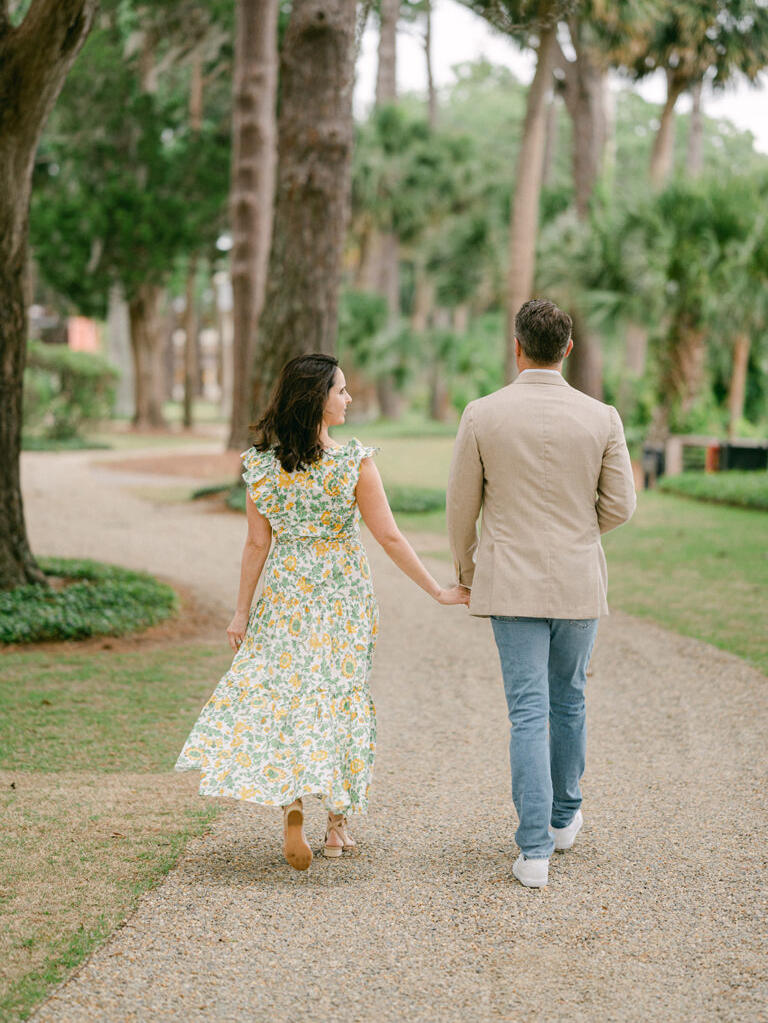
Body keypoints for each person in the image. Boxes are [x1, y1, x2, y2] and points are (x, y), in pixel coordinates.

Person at [176, 353, 468, 870]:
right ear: (318, 398)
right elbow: (390, 538)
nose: (349, 398)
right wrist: (437, 591)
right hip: (343, 597)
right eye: (341, 391)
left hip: (286, 595)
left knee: (289, 695)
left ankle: (291, 804)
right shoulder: (352, 462)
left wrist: (240, 613)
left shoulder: (262, 467)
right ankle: (336, 828)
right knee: (339, 696)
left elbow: (254, 546)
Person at [446, 299, 636, 889]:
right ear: (569, 349)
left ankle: (533, 854)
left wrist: (469, 568)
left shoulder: (482, 414)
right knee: (570, 699)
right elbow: (622, 506)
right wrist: (577, 536)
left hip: (510, 581)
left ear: (517, 346)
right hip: (579, 579)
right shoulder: (602, 417)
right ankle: (562, 818)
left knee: (527, 711)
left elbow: (461, 507)